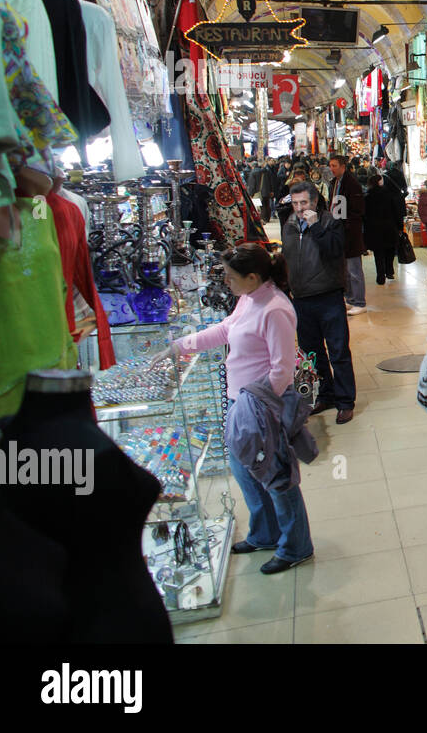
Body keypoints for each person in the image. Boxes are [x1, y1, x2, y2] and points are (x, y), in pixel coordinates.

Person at [163, 244, 314, 573]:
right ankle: (265, 533)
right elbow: (226, 329)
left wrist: (254, 407)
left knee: (276, 479)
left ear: (253, 276)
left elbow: (281, 369)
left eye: (231, 277)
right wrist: (181, 346)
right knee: (245, 474)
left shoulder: (274, 309)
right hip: (242, 404)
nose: (226, 282)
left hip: (260, 408)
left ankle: (296, 546)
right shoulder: (249, 298)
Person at [284, 181, 357, 425]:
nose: (299, 208)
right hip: (302, 300)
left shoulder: (330, 222)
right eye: (295, 203)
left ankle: (346, 401)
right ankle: (324, 395)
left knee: (338, 351)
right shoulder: (290, 225)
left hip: (328, 296)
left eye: (303, 202)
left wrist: (316, 227)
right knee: (312, 354)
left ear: (314, 201)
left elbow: (335, 251)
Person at [329, 155, 368, 315]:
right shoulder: (335, 183)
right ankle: (351, 299)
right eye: (330, 165)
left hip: (350, 231)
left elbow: (356, 209)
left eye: (335, 165)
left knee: (354, 269)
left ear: (343, 166)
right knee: (345, 269)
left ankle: (359, 301)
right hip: (339, 229)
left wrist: (349, 226)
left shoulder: (351, 184)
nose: (332, 168)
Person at [364, 172, 407, 285]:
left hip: (374, 228)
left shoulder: (367, 197)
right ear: (380, 182)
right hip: (389, 226)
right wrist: (399, 226)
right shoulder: (389, 195)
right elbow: (396, 212)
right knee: (390, 249)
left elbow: (365, 215)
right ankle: (389, 271)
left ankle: (380, 275)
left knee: (378, 253)